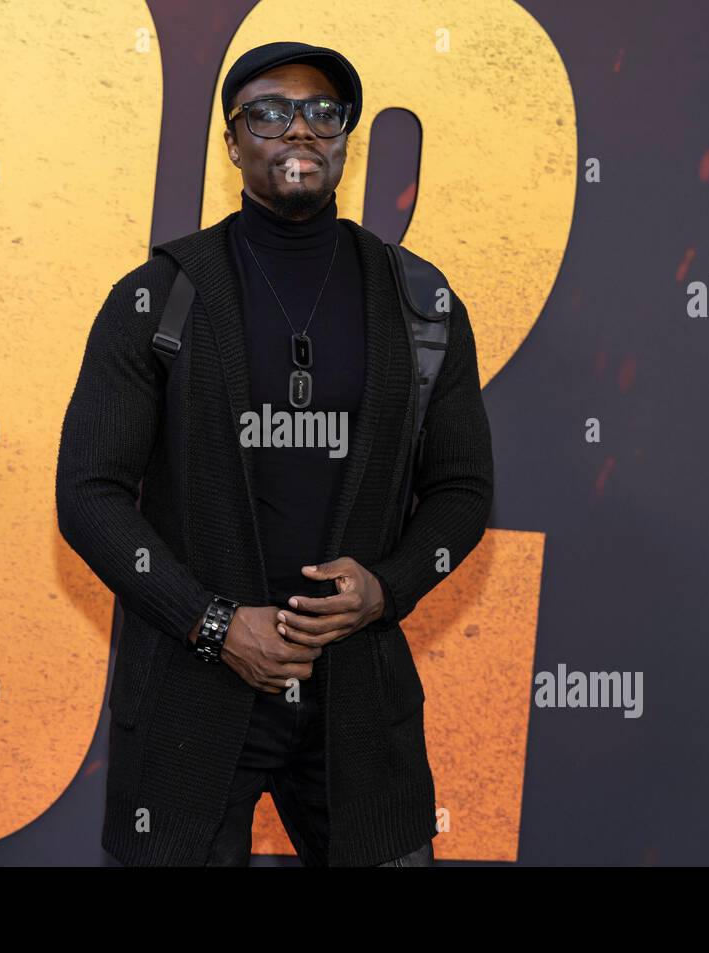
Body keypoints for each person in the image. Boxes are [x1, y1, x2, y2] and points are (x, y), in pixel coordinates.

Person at [56, 41, 494, 866]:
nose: (300, 129)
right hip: (196, 690)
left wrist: (385, 588)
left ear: (345, 140)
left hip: (359, 694)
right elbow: (88, 491)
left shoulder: (420, 300)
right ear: (232, 141)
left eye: (324, 112)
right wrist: (213, 624)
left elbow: (464, 486)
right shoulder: (158, 296)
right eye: (269, 111)